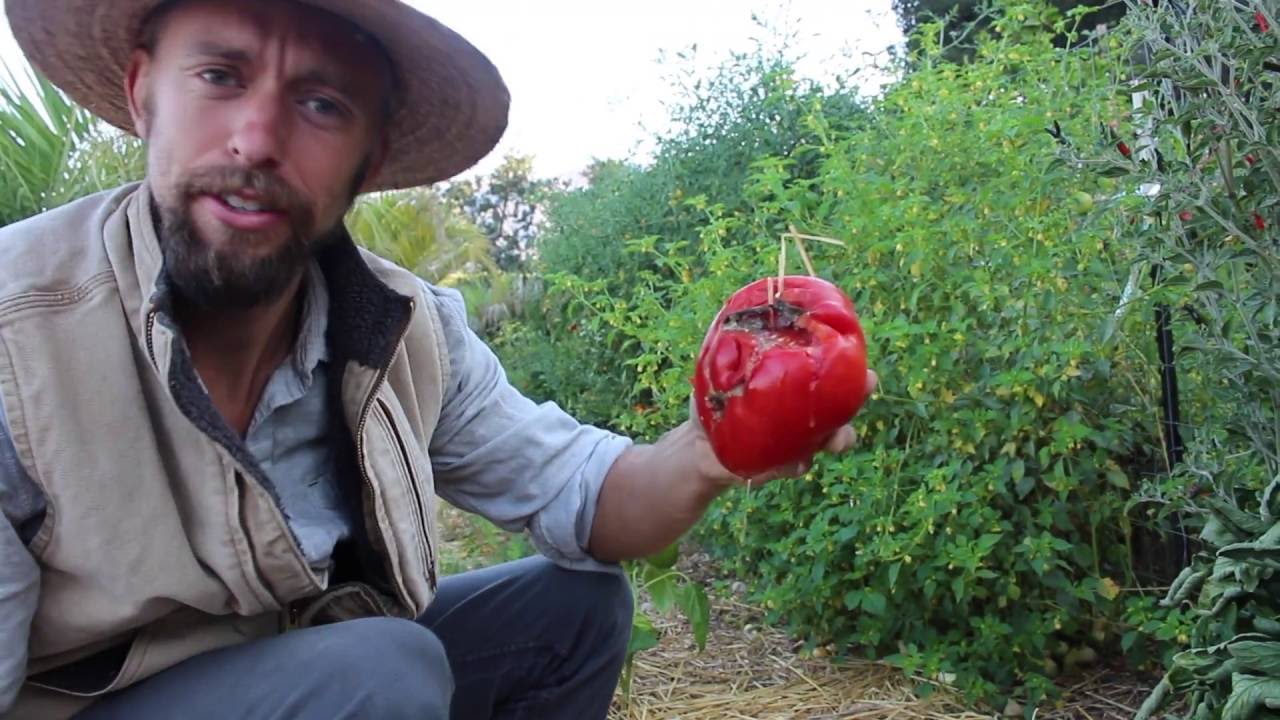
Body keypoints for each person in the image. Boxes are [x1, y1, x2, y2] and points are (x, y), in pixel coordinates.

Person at [0, 0, 876, 718]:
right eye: (219, 77)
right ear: (144, 93)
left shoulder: (400, 326)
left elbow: (586, 495)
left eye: (321, 104)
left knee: (575, 608)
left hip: (301, 672)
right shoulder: (17, 340)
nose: (257, 140)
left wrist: (708, 449)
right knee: (382, 674)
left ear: (369, 158)